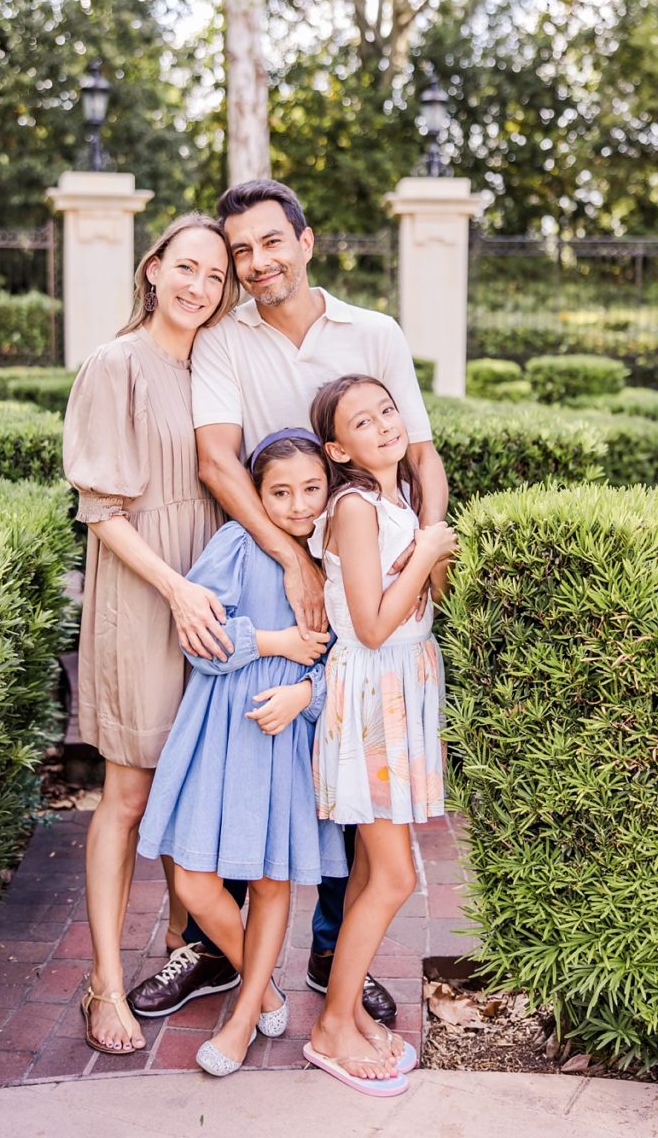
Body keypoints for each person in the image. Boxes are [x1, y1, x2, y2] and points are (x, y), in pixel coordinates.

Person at [128, 179, 448, 1025]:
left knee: (345, 756)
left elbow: (421, 453)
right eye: (242, 250)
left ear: (306, 242)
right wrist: (288, 558)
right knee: (251, 743)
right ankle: (214, 947)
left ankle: (334, 954)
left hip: (362, 563)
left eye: (272, 242)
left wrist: (426, 545)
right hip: (269, 562)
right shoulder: (222, 340)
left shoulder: (374, 332)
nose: (257, 261)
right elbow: (218, 460)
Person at [63, 213, 239, 1055]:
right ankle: (103, 979)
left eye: (216, 276)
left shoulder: (214, 365)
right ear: (153, 268)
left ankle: (180, 947)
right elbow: (101, 510)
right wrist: (175, 589)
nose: (199, 286)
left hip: (210, 596)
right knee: (129, 795)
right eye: (187, 267)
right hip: (145, 596)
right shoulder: (117, 364)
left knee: (191, 787)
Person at [137, 431, 345, 1076]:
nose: (298, 505)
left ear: (329, 488)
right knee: (195, 877)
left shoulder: (339, 555)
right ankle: (269, 990)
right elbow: (197, 640)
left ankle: (243, 1013)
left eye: (311, 489)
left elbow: (351, 660)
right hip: (221, 730)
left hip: (283, 738)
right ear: (256, 495)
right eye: (279, 492)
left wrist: (305, 694)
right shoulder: (236, 543)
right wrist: (276, 642)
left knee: (270, 878)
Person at [302, 373, 456, 1096]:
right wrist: (426, 551)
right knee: (395, 876)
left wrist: (428, 551)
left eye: (388, 410)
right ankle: (332, 1027)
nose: (385, 424)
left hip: (407, 683)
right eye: (362, 421)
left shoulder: (402, 500)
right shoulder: (355, 507)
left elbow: (426, 600)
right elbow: (367, 625)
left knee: (369, 871)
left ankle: (348, 1011)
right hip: (372, 696)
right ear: (338, 449)